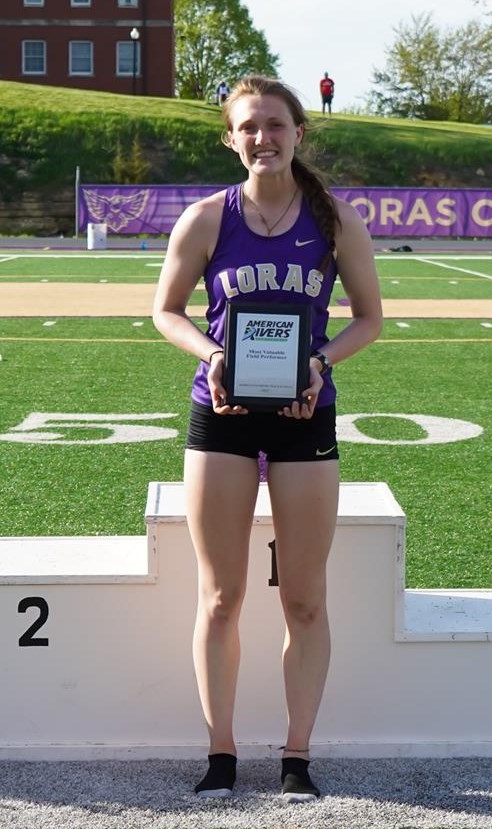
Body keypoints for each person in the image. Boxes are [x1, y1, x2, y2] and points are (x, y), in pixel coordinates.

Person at [150, 75, 382, 804]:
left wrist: (320, 363)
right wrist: (211, 354)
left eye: (275, 125)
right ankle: (219, 752)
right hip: (220, 411)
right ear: (231, 138)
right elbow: (166, 310)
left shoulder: (334, 219)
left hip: (303, 413)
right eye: (248, 126)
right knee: (220, 596)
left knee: (304, 600)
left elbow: (369, 318)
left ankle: (296, 754)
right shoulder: (205, 218)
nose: (263, 138)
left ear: (298, 133)